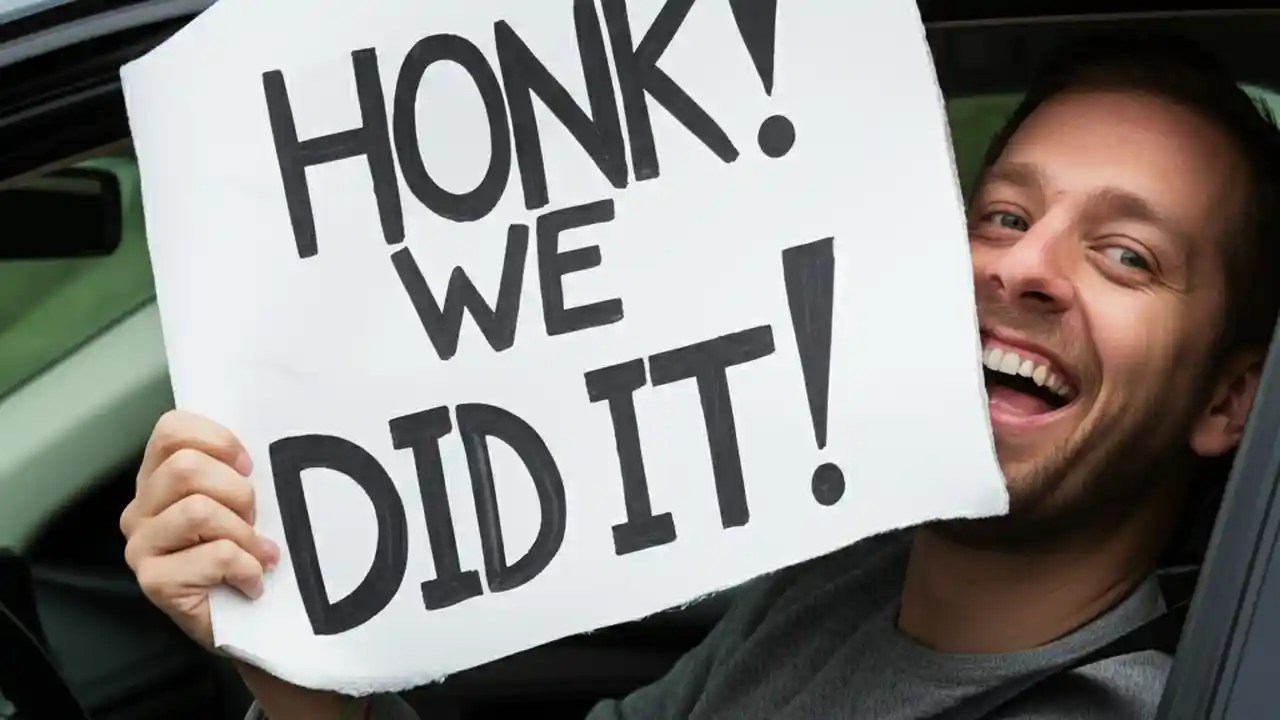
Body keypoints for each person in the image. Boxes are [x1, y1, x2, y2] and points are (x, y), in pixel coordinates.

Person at [118, 33, 1280, 720]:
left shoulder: (1109, 708)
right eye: (1000, 212)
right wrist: (295, 649)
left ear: (1228, 401)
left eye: (1124, 255)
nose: (1023, 266)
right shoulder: (838, 584)